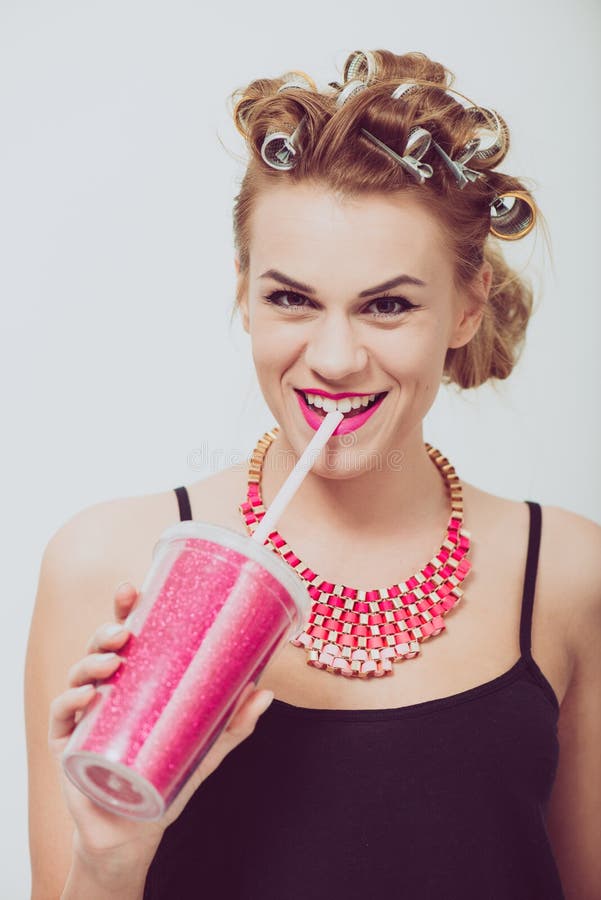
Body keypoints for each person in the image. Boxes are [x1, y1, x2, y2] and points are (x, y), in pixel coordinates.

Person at [24, 48, 600, 900]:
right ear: (244, 291)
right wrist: (109, 853)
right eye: (290, 299)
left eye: (388, 304)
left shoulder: (566, 572)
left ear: (466, 306)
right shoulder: (110, 564)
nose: (333, 359)